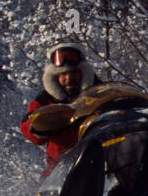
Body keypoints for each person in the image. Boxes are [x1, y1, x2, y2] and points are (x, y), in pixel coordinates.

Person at [19, 41, 101, 172]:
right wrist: (40, 124)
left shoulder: (101, 93)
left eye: (74, 72)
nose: (69, 78)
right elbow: (28, 127)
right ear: (55, 77)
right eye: (63, 74)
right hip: (60, 169)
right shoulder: (45, 101)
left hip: (102, 161)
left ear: (83, 74)